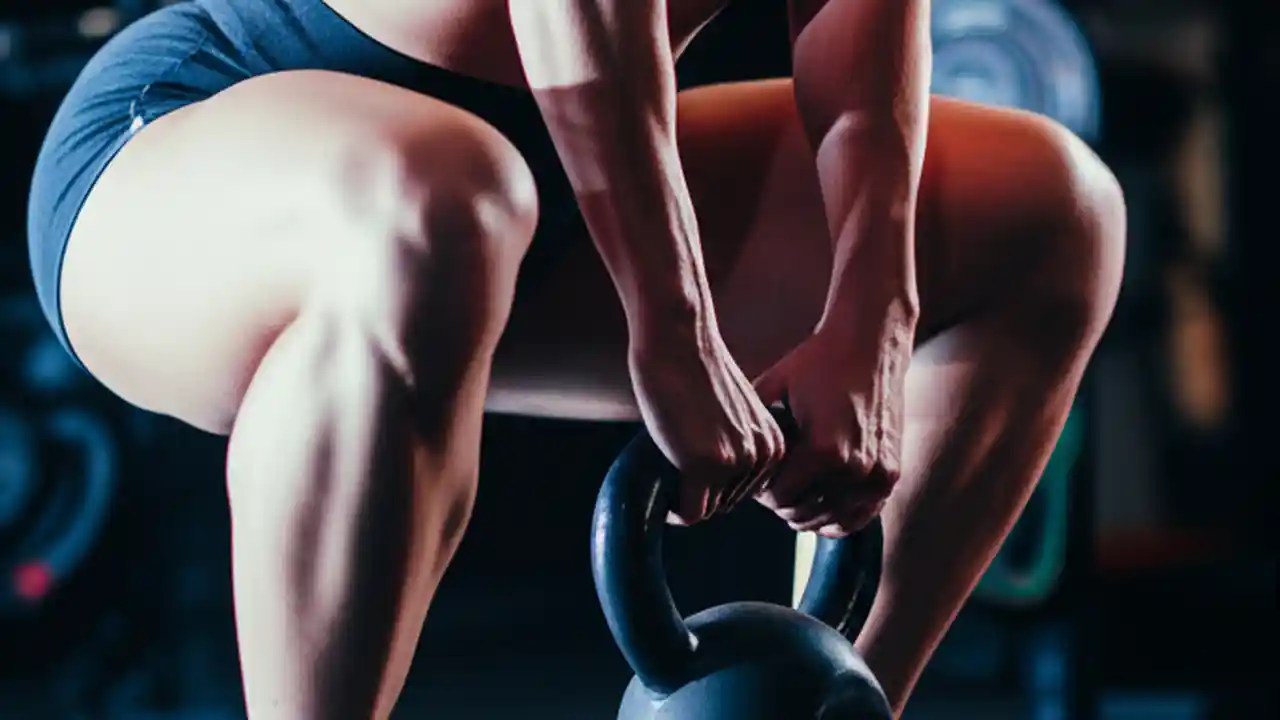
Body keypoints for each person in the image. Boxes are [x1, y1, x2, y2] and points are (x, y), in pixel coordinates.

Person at [26, 0, 1125, 717]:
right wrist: (673, 323)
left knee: (1047, 216)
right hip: (196, 141)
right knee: (435, 198)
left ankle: (816, 703)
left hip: (529, 190)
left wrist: (869, 322)